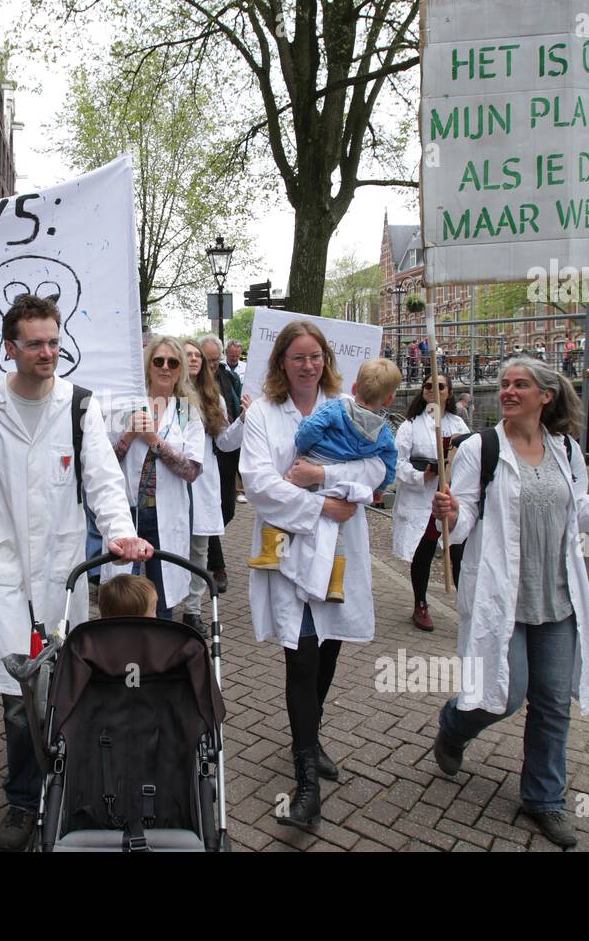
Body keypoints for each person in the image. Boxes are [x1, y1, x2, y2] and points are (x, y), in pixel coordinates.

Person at [429, 356, 589, 848]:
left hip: (557, 598)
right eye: (504, 384)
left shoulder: (565, 449)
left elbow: (578, 510)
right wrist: (449, 514)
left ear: (546, 395)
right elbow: (465, 520)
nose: (509, 391)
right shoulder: (479, 448)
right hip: (502, 597)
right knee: (504, 695)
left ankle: (544, 800)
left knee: (554, 702)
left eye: (520, 385)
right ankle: (454, 726)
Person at [0, 294, 151, 851]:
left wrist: (118, 532)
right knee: (19, 694)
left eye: (54, 341)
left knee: (66, 682)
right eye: (35, 343)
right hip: (3, 565)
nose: (48, 352)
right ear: (9, 348)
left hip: (61, 568)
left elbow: (104, 480)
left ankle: (67, 784)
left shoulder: (80, 405)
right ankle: (22, 800)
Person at [240, 321, 387, 831]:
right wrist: (321, 505)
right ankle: (306, 781)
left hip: (342, 549)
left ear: (326, 359)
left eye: (316, 355)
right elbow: (259, 482)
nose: (309, 365)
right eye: (298, 357)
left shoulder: (350, 407)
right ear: (281, 362)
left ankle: (311, 734)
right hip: (288, 545)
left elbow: (376, 472)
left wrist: (325, 476)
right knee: (300, 656)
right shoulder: (262, 413)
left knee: (328, 649)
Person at [251, 357, 400, 605]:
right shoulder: (383, 431)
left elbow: (310, 429)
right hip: (345, 488)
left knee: (282, 509)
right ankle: (336, 583)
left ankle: (273, 554)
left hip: (316, 462)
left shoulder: (336, 408)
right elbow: (389, 463)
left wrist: (303, 446)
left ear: (354, 388)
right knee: (337, 533)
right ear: (388, 400)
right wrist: (381, 490)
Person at [106, 336, 206, 620]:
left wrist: (152, 439)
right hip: (128, 512)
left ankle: (160, 654)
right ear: (148, 365)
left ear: (181, 370)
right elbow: (105, 462)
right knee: (123, 595)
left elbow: (192, 471)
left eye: (172, 362)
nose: (165, 367)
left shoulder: (187, 413)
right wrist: (128, 433)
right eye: (158, 361)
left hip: (167, 516)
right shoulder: (126, 406)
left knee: (162, 599)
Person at [391, 373, 470, 632]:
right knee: (423, 553)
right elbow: (397, 463)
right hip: (422, 496)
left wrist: (451, 463)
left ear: (448, 392)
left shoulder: (458, 423)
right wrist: (421, 475)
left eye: (439, 386)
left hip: (449, 495)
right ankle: (420, 603)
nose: (433, 390)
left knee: (459, 551)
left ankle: (467, 608)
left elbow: (471, 459)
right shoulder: (410, 425)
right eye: (428, 386)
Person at [181, 339, 245, 634]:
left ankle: (192, 611)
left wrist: (244, 420)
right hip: (171, 481)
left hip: (202, 481)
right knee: (168, 547)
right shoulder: (163, 394)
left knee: (199, 549)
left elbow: (224, 441)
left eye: (199, 356)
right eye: (188, 354)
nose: (194, 360)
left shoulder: (213, 397)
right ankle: (165, 607)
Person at [201, 335, 243, 591]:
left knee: (226, 509)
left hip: (226, 454)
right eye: (209, 360)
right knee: (210, 511)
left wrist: (242, 420)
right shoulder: (188, 385)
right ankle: (217, 566)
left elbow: (234, 406)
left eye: (216, 360)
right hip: (203, 460)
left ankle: (206, 546)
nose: (213, 365)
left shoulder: (227, 378)